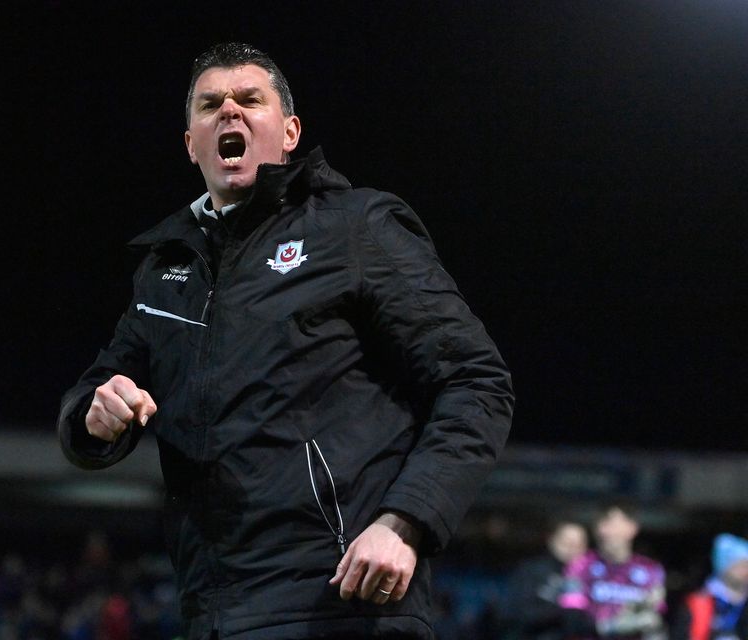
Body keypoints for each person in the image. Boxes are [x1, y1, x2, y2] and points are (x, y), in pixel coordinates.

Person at [57, 42, 514, 639]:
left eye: (251, 99)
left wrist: (405, 522)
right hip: (212, 612)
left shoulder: (355, 228)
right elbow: (96, 390)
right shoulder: (167, 268)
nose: (230, 112)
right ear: (191, 142)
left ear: (290, 131)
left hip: (340, 605)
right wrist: (94, 415)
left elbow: (477, 382)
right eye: (210, 104)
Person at [559, 504, 666, 639]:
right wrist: (610, 626)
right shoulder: (580, 565)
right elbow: (571, 617)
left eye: (612, 523)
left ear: (632, 528)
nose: (605, 530)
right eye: (601, 523)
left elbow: (655, 617)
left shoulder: (651, 569)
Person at [500, 518, 594, 640]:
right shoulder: (532, 570)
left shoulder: (591, 574)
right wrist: (563, 609)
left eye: (578, 544)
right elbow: (519, 614)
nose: (572, 548)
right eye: (566, 542)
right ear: (551, 540)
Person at [670, 533, 748, 640]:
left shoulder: (743, 604)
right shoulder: (698, 602)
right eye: (741, 566)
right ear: (724, 566)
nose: (746, 572)